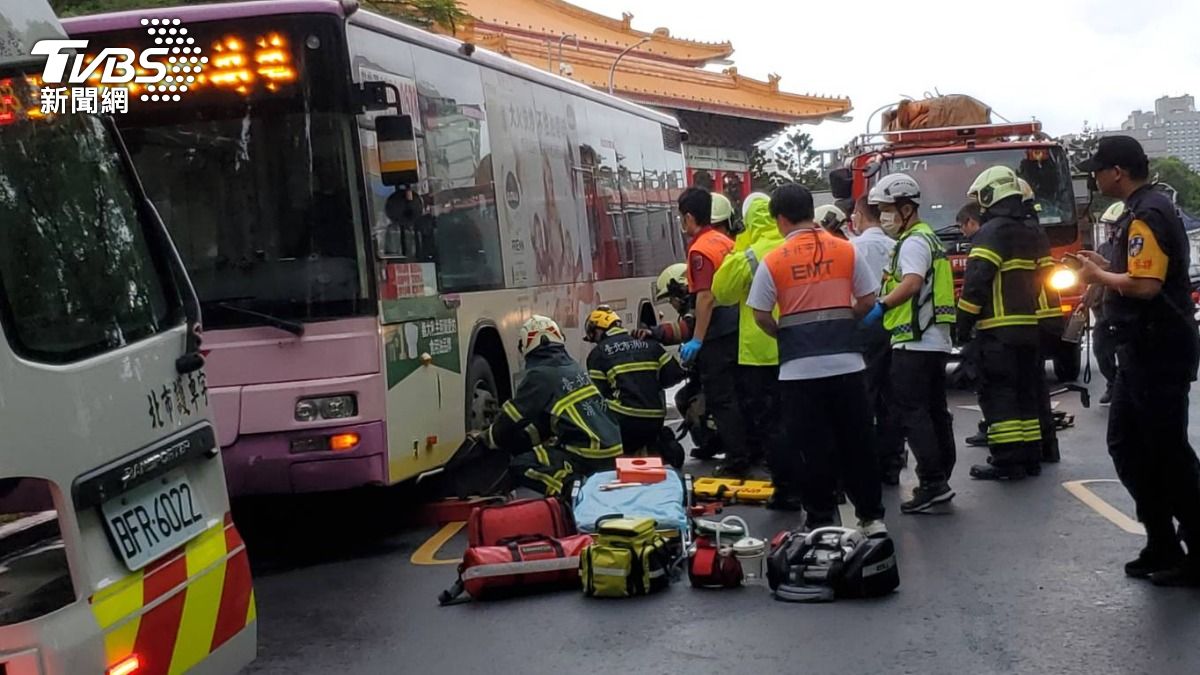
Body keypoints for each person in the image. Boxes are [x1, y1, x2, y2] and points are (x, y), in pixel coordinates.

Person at [1074, 135, 1200, 587]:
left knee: (1167, 453)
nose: (1095, 178)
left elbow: (1145, 285)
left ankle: (1194, 547)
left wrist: (1098, 275)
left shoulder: (1147, 213)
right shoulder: (1139, 212)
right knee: (1128, 445)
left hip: (1157, 349)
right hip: (1139, 351)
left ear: (1117, 172)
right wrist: (1101, 266)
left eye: (1098, 170)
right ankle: (1161, 541)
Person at [748, 183, 887, 536]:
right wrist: (845, 320)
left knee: (811, 447)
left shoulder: (774, 260)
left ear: (780, 219)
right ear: (811, 211)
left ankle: (822, 519)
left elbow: (760, 314)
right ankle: (871, 519)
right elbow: (869, 300)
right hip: (848, 365)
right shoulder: (846, 250)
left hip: (798, 370)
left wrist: (783, 332)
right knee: (857, 443)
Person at [863, 173, 958, 513]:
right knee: (933, 410)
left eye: (888, 209)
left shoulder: (915, 241)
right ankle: (941, 476)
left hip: (914, 339)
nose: (884, 216)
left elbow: (913, 283)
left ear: (906, 208)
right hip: (933, 339)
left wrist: (881, 305)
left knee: (912, 412)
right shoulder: (929, 238)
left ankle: (933, 481)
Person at [955, 167, 1048, 481]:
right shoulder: (1031, 232)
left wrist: (963, 322)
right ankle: (1031, 456)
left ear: (989, 194)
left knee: (1000, 395)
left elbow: (977, 280)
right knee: (1026, 393)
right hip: (1029, 328)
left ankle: (1008, 460)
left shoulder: (991, 232)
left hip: (997, 329)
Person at [711, 192, 801, 509]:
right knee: (805, 420)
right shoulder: (796, 245)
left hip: (761, 353)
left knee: (772, 425)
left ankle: (786, 489)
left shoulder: (750, 255)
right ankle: (818, 482)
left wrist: (741, 247)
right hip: (802, 349)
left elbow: (721, 290)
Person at [479, 315, 623, 495]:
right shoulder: (572, 367)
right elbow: (546, 423)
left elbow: (511, 419)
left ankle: (570, 488)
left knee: (522, 465)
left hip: (588, 454)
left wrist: (488, 439)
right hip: (612, 449)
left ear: (526, 346)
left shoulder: (540, 375)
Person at [677, 187, 749, 474]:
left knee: (721, 397)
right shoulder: (725, 241)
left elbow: (706, 297)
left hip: (717, 330)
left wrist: (697, 339)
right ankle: (749, 450)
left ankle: (737, 458)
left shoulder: (700, 249)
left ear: (690, 217)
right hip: (738, 324)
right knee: (741, 392)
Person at [585, 306, 686, 468]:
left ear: (598, 330)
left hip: (624, 422)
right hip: (656, 418)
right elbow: (673, 375)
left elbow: (599, 394)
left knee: (592, 407)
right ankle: (660, 444)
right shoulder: (649, 344)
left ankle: (614, 456)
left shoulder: (597, 355)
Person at [850, 196, 905, 485]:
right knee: (891, 396)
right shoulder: (897, 246)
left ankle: (864, 460)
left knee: (864, 395)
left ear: (859, 214)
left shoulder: (852, 248)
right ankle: (892, 460)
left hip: (863, 325)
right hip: (896, 325)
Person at [1092, 201, 1126, 404]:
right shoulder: (1104, 248)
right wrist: (1087, 300)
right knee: (1100, 349)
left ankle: (1123, 386)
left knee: (1125, 353)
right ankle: (1112, 382)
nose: (1110, 230)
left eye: (1113, 225)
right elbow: (1097, 279)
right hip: (1104, 312)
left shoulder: (1130, 247)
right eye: (1108, 226)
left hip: (1124, 312)